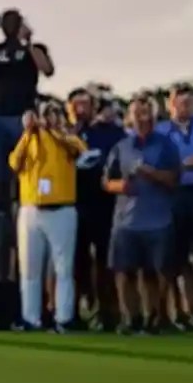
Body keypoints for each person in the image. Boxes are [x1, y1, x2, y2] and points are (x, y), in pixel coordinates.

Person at [0, 9, 55, 283]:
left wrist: (28, 42)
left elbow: (47, 69)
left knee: (26, 190)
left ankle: (27, 267)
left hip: (23, 117)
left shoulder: (33, 50)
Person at [103, 95, 182, 334]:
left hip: (158, 220)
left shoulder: (166, 145)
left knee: (156, 273)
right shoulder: (121, 146)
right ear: (130, 117)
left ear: (154, 116)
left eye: (146, 113)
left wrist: (151, 173)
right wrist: (121, 186)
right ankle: (131, 318)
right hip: (126, 221)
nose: (141, 118)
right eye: (137, 113)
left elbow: (174, 179)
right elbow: (106, 181)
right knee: (123, 272)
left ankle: (156, 317)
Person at [8, 101, 86, 332]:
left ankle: (64, 317)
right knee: (29, 269)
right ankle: (30, 317)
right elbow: (14, 162)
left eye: (53, 113)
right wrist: (28, 133)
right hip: (31, 209)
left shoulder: (67, 138)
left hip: (61, 209)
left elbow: (80, 151)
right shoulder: (29, 138)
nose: (48, 118)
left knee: (63, 269)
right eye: (44, 114)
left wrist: (55, 132)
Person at [154, 84, 193, 329]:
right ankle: (182, 310)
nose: (185, 107)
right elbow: (158, 162)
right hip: (172, 196)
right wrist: (185, 164)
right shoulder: (160, 131)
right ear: (170, 105)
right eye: (181, 103)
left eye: (189, 103)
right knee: (175, 258)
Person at [68, 89, 127, 331]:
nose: (81, 109)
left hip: (104, 205)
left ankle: (109, 313)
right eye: (76, 105)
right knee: (76, 263)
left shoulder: (110, 132)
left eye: (86, 104)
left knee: (106, 261)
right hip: (73, 205)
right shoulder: (64, 134)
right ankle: (74, 312)